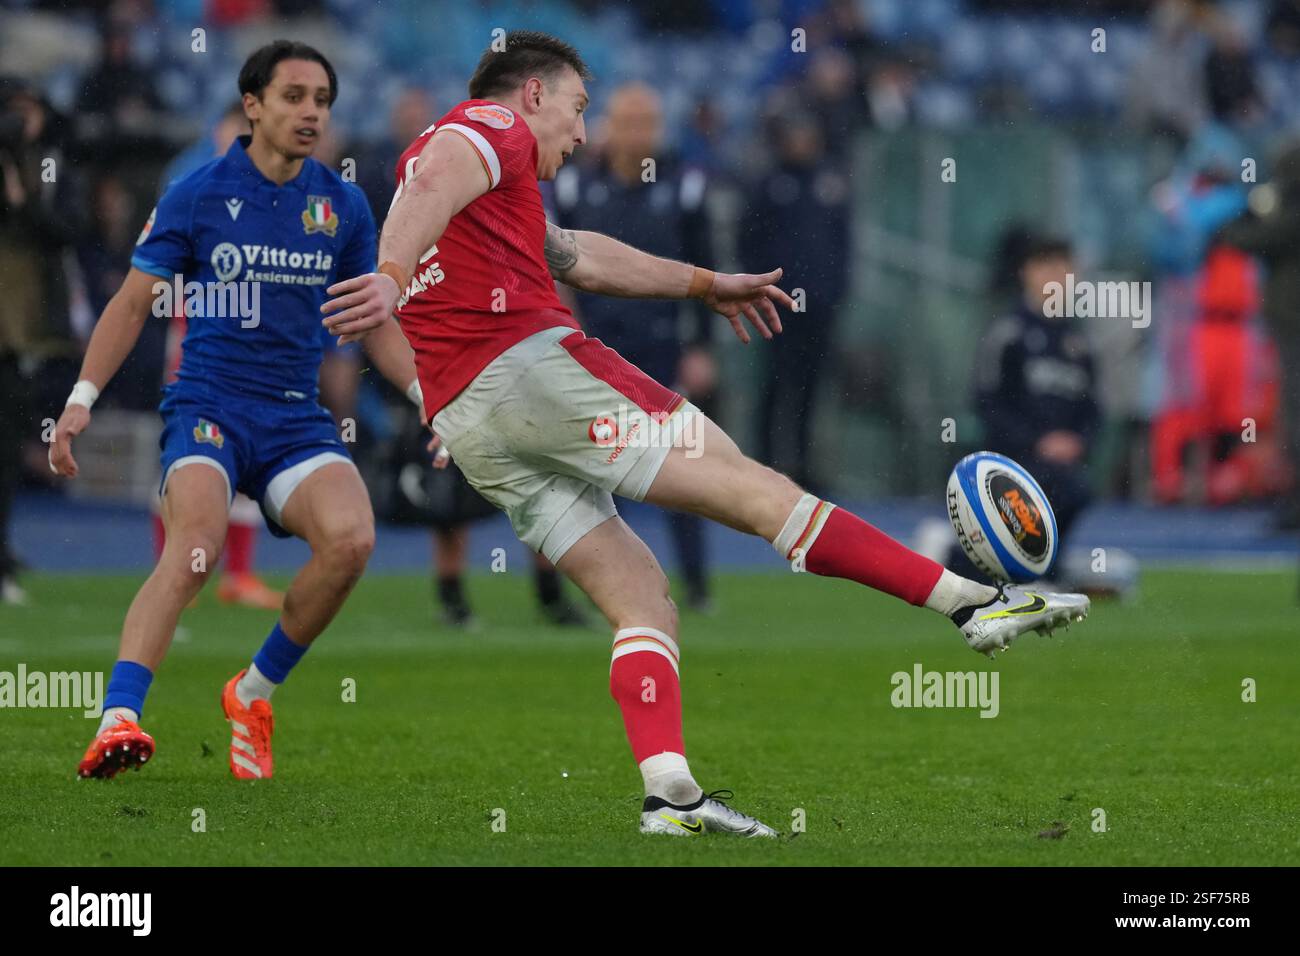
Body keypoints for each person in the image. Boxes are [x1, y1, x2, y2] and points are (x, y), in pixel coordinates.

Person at [323, 31, 1090, 838]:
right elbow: (437, 183)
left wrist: (704, 284)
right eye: (580, 109)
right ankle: (969, 604)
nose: (584, 134)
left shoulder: (485, 180)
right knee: (760, 494)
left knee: (642, 597)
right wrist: (389, 276)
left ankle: (670, 797)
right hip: (534, 370)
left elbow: (576, 256)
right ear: (535, 95)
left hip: (471, 418)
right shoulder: (490, 127)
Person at [51, 40, 425, 782]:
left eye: (321, 99)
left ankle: (252, 693)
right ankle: (118, 718)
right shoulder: (195, 194)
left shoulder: (342, 204)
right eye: (293, 97)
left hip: (294, 417)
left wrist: (428, 398)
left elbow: (372, 320)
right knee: (196, 548)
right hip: (208, 406)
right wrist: (79, 401)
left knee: (352, 541)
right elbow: (133, 304)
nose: (310, 112)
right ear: (252, 105)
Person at [553, 81, 716, 611]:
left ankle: (695, 583)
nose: (637, 133)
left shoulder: (685, 186)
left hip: (662, 346)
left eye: (647, 122)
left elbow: (706, 270)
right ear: (608, 126)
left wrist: (700, 346)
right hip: (594, 349)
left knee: (685, 462)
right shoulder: (576, 184)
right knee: (576, 465)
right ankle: (560, 590)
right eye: (627, 121)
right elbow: (556, 269)